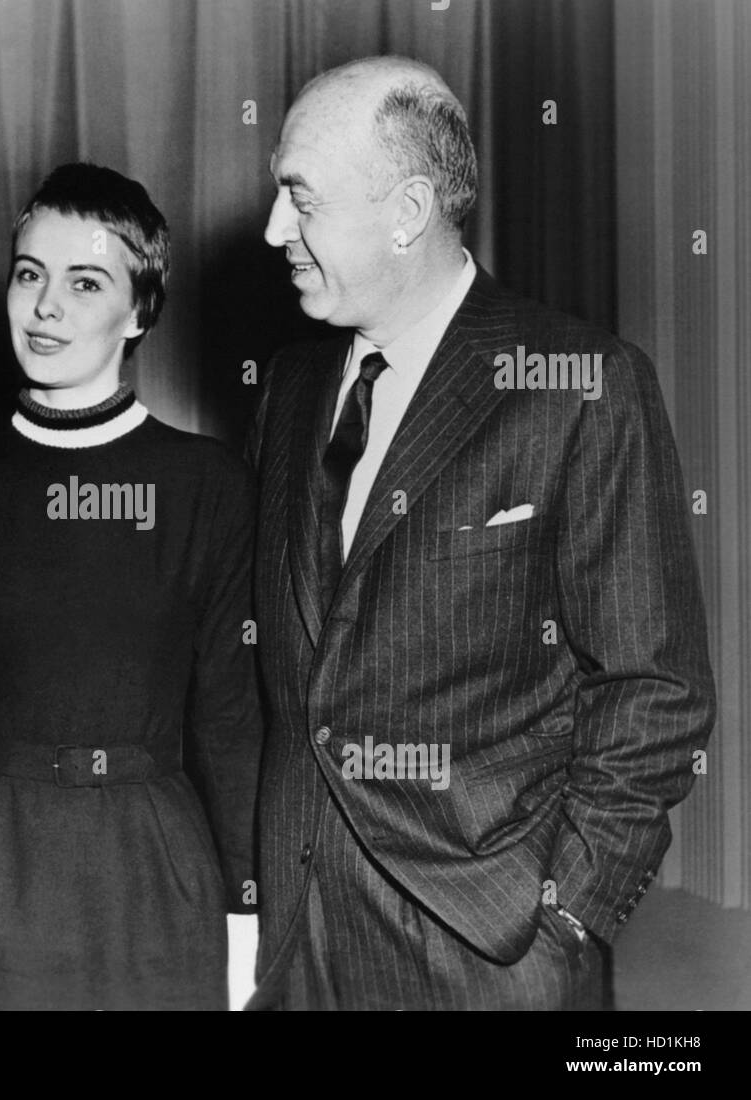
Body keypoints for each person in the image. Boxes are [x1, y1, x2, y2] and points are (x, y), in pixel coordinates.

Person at [246, 56, 715, 1010]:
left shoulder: (581, 384)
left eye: (300, 198)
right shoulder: (289, 390)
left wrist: (562, 921)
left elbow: (655, 693)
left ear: (407, 210)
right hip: (298, 943)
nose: (272, 230)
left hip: (485, 955)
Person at [0, 163, 262, 1010]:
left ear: (140, 309)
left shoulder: (208, 486)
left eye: (84, 282)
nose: (45, 306)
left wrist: (248, 922)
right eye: (29, 275)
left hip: (164, 884)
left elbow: (232, 726)